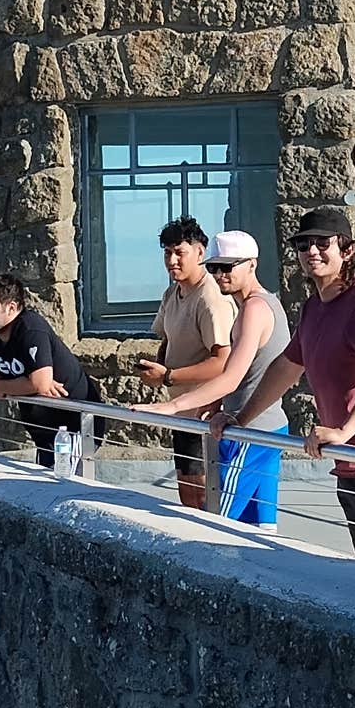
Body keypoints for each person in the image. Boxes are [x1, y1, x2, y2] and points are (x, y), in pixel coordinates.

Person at [228, 206, 355, 569]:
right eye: (304, 244)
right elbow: (287, 367)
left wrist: (344, 431)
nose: (311, 251)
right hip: (351, 464)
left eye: (323, 242)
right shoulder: (313, 308)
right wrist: (241, 420)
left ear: (347, 250)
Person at [160, 229, 292, 530]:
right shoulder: (261, 304)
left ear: (252, 264)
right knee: (261, 530)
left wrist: (171, 405)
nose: (220, 274)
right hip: (264, 427)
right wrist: (217, 403)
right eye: (214, 267)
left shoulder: (254, 309)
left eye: (228, 266)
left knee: (215, 521)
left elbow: (231, 375)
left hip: (251, 430)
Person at [137, 216, 236, 508]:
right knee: (187, 494)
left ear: (200, 252)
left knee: (204, 498)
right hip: (181, 412)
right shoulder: (173, 293)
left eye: (180, 252)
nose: (172, 260)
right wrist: (156, 368)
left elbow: (222, 361)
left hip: (205, 413)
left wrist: (168, 376)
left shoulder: (211, 298)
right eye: (167, 253)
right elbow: (166, 339)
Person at [0, 273, 99, 464]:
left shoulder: (31, 328)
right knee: (44, 482)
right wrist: (27, 384)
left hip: (75, 424)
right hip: (41, 427)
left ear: (11, 308)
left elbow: (35, 383)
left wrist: (26, 384)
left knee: (62, 483)